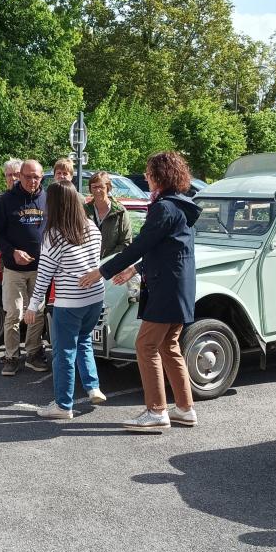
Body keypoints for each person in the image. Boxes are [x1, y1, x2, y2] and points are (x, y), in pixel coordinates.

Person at [79, 151, 202, 432]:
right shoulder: (180, 206)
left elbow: (140, 245)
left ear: (160, 175)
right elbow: (167, 250)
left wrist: (102, 271)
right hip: (177, 286)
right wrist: (135, 269)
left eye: (149, 172)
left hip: (166, 288)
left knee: (145, 346)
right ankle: (185, 408)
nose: (146, 176)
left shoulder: (164, 208)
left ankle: (157, 411)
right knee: (169, 347)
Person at [25, 181, 107, 419]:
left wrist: (33, 307)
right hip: (95, 296)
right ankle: (93, 387)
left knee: (64, 352)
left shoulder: (54, 235)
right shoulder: (91, 227)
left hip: (70, 301)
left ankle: (63, 406)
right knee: (84, 340)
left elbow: (44, 275)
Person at [0, 158, 48, 376]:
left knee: (37, 313)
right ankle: (11, 356)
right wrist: (12, 251)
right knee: (13, 313)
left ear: (41, 177)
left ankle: (33, 353)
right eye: (28, 176)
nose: (33, 181)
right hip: (14, 268)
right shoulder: (6, 200)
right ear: (20, 176)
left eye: (36, 177)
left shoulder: (47, 198)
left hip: (41, 269)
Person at [85, 171, 133, 258]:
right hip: (86, 265)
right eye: (94, 187)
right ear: (90, 189)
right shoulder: (84, 211)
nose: (97, 190)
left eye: (101, 187)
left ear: (108, 188)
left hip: (110, 266)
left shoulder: (120, 212)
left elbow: (125, 243)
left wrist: (105, 262)